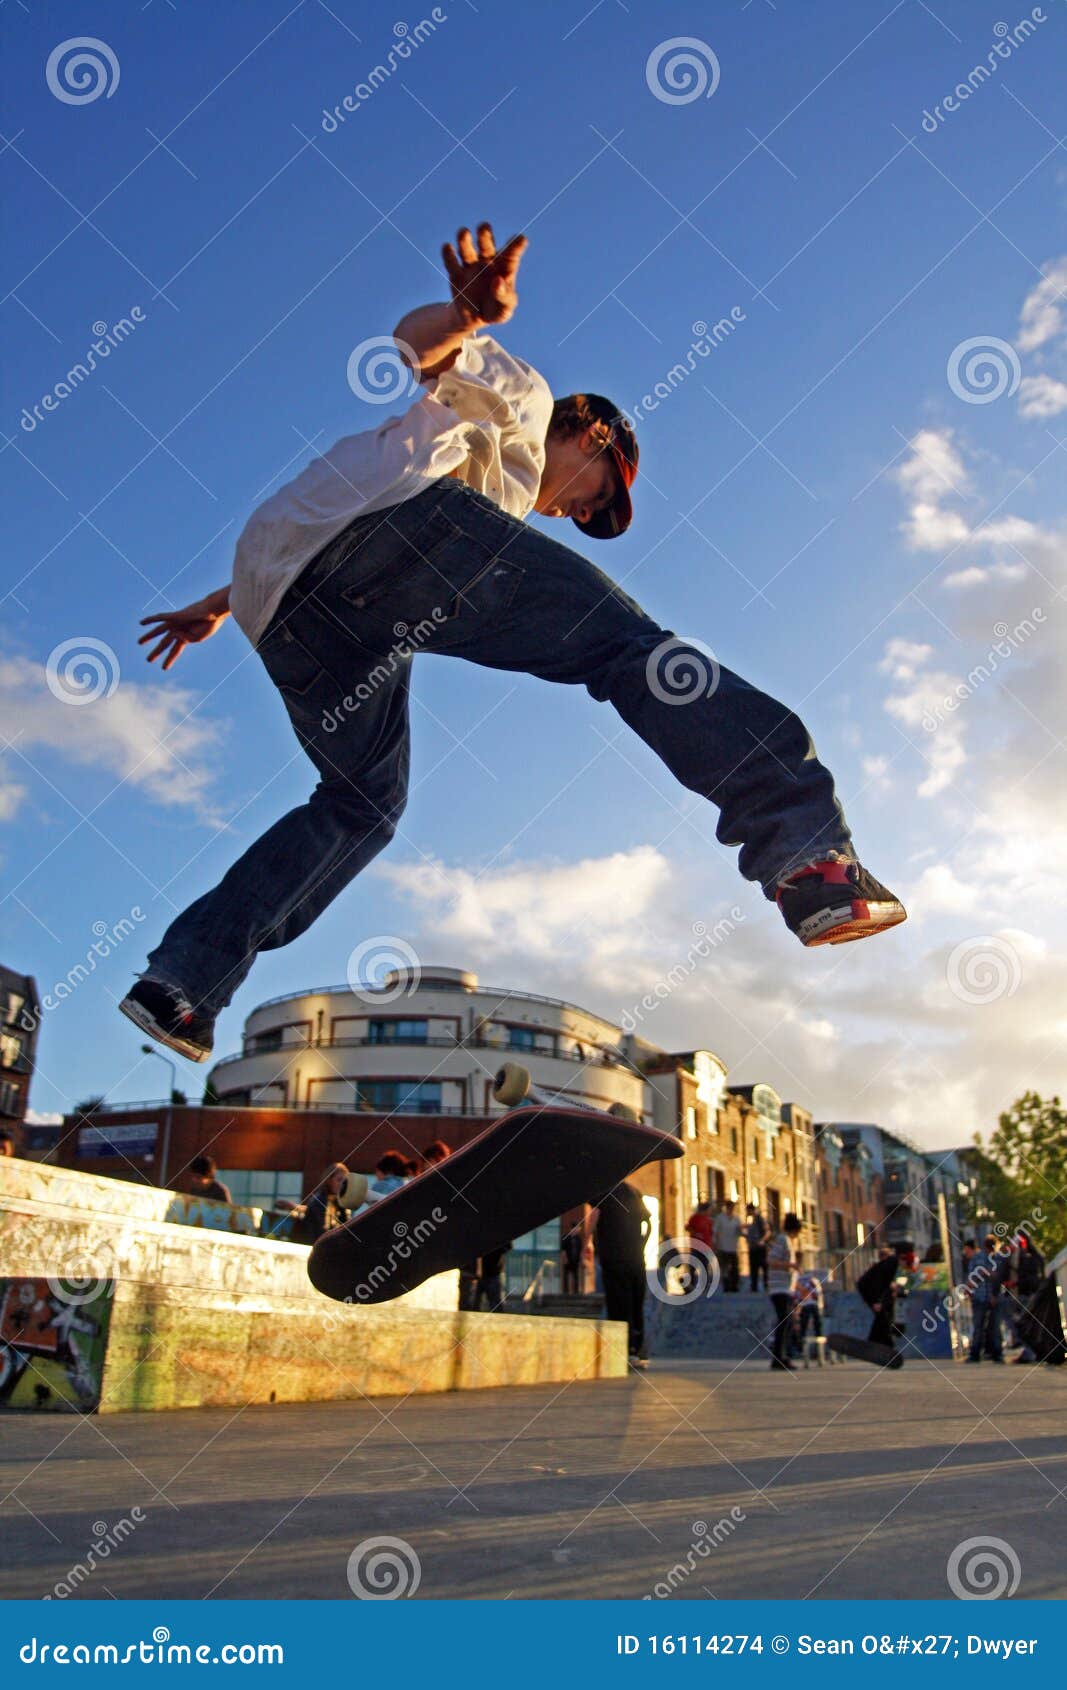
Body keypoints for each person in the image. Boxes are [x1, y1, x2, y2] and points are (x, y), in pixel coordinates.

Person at [118, 218, 906, 1066]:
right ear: (593, 434)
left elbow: (313, 546)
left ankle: (184, 984)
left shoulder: (483, 488)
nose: (572, 514)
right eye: (593, 496)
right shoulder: (526, 401)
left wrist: (214, 606)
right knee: (626, 648)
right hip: (401, 539)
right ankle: (807, 856)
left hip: (284, 600)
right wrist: (467, 317)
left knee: (361, 805)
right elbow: (420, 346)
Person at [594, 1181, 651, 1370]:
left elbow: (592, 1212)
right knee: (636, 1304)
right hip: (635, 1259)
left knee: (618, 1304)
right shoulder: (634, 1192)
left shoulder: (606, 1192)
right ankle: (635, 1349)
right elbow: (648, 1222)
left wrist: (598, 1247)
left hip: (615, 1260)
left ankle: (625, 1349)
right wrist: (641, 1244)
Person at [766, 1212, 803, 1371]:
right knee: (784, 1322)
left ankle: (782, 1356)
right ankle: (779, 1357)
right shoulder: (783, 1240)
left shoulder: (786, 1241)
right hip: (779, 1288)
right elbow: (771, 1261)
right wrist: (791, 1266)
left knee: (786, 1322)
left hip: (785, 1288)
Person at [964, 1236, 1004, 1364]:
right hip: (980, 1296)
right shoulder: (979, 1258)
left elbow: (997, 1277)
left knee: (994, 1327)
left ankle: (994, 1353)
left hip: (991, 1296)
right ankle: (977, 1353)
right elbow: (974, 1276)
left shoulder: (997, 1258)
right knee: (979, 1326)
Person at [856, 1247, 900, 1351]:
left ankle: (878, 1342)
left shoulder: (883, 1267)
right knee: (883, 1318)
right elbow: (877, 1286)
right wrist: (877, 1302)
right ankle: (882, 1344)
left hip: (877, 1296)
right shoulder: (882, 1268)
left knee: (883, 1319)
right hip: (873, 1295)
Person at [302, 1163, 348, 1243]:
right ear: (329, 1180)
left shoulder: (339, 1202)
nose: (342, 1185)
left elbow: (345, 1228)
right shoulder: (318, 1201)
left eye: (345, 1182)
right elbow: (320, 1232)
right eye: (339, 1180)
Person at [711, 1199, 742, 1292]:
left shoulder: (737, 1218)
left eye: (733, 1208)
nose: (731, 1209)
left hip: (733, 1246)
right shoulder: (720, 1218)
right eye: (730, 1208)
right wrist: (715, 1243)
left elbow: (739, 1231)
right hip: (723, 1246)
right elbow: (715, 1231)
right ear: (727, 1208)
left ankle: (734, 1285)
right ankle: (726, 1286)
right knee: (724, 1267)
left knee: (734, 1267)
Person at [474, 1244, 510, 1312]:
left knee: (495, 1303)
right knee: (474, 1303)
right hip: (478, 1274)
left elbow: (505, 1249)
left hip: (493, 1272)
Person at [795, 1269, 825, 1346]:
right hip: (807, 1305)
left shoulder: (812, 1282)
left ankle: (817, 1338)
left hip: (811, 1304)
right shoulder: (802, 1281)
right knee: (806, 1322)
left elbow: (817, 1294)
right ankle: (802, 1341)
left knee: (814, 1322)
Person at [746, 1208, 770, 1292]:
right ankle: (754, 1286)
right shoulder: (751, 1221)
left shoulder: (760, 1219)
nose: (748, 1212)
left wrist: (762, 1240)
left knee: (763, 1266)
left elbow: (767, 1232)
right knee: (753, 1267)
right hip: (752, 1247)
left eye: (749, 1211)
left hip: (760, 1247)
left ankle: (766, 1284)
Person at [562, 1218, 585, 1295]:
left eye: (578, 1228)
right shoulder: (566, 1237)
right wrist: (565, 1259)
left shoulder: (578, 1239)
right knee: (566, 1276)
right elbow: (563, 1250)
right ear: (572, 1229)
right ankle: (566, 1291)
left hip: (576, 1259)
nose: (578, 1230)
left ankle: (576, 1291)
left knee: (576, 1276)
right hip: (568, 1259)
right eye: (577, 1228)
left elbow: (581, 1250)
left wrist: (581, 1260)